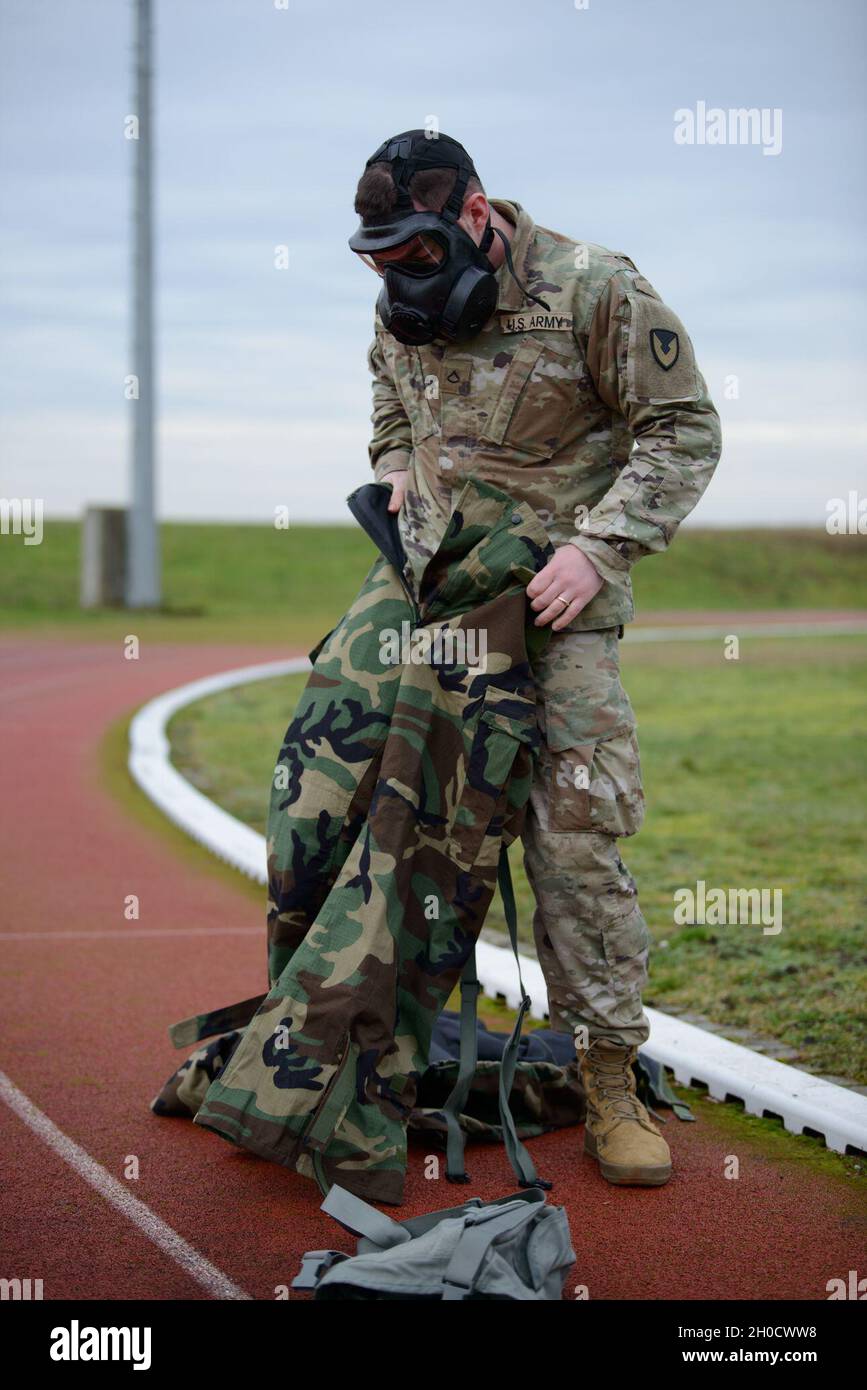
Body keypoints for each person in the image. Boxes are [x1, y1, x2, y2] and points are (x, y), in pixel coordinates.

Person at [348, 129, 722, 1186]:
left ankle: (608, 1078)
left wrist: (600, 550)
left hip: (558, 609)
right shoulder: (397, 289)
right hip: (442, 599)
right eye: (377, 262)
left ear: (472, 215)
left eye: (414, 256)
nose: (397, 280)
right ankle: (384, 1057)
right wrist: (390, 465)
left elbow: (684, 428)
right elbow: (390, 389)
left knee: (573, 841)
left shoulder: (593, 288)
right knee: (409, 829)